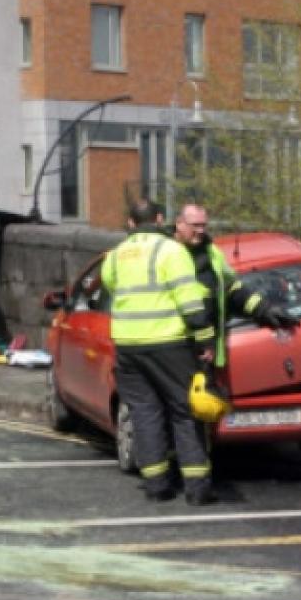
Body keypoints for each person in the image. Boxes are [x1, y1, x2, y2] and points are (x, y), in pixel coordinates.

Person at [101, 198, 217, 505]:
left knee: (144, 413)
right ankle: (197, 488)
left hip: (127, 346)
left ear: (130, 223)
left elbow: (111, 288)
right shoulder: (172, 251)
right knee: (185, 412)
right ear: (161, 218)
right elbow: (190, 301)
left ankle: (156, 485)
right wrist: (206, 340)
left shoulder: (114, 256)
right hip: (168, 343)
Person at [172, 203, 300, 371]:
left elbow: (232, 288)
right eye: (195, 225)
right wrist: (203, 340)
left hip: (206, 352)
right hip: (176, 349)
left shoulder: (212, 252)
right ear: (179, 223)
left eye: (204, 225)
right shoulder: (168, 252)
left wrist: (264, 309)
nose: (201, 230)